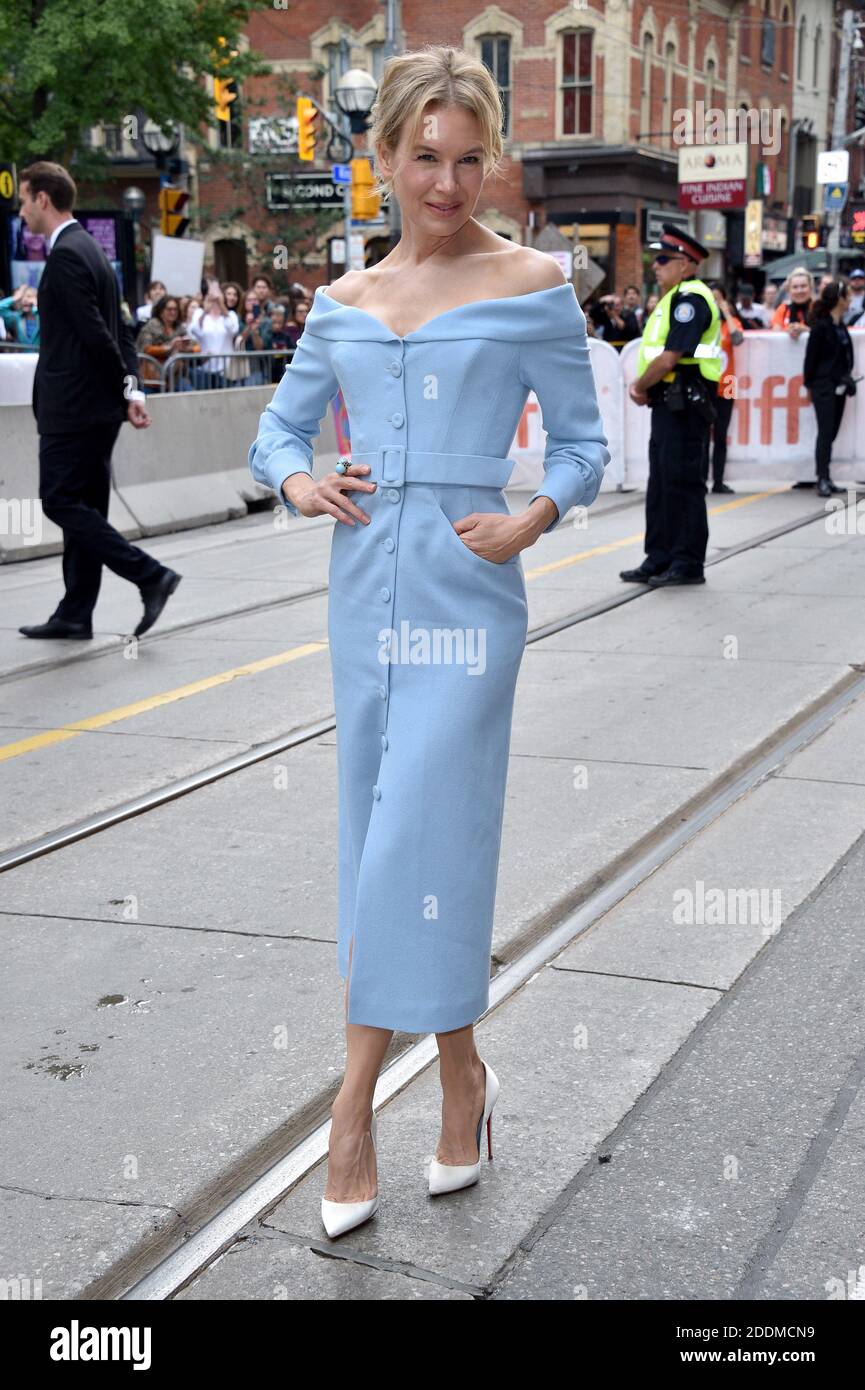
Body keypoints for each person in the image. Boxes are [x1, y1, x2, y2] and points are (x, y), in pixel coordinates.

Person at [248, 43, 609, 1239]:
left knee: (415, 828)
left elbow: (579, 445)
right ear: (385, 157)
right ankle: (459, 1073)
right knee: (387, 838)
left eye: (467, 160)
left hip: (468, 585)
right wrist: (301, 482)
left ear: (487, 158)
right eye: (423, 159)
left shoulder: (535, 281)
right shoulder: (340, 304)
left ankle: (349, 1107)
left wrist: (533, 516)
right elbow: (276, 435)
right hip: (362, 592)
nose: (447, 186)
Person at [16, 162, 180, 641]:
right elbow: (121, 331)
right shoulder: (90, 250)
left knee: (59, 501)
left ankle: (149, 574)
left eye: (25, 199)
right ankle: (75, 612)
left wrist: (121, 384)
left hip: (74, 408)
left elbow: (96, 336)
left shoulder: (67, 255)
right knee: (86, 507)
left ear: (43, 199)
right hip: (98, 409)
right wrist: (130, 388)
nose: (22, 211)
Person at [621, 222, 721, 587]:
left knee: (683, 482)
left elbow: (668, 358)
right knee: (662, 482)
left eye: (663, 259)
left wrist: (639, 385)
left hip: (685, 401)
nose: (655, 265)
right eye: (655, 258)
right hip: (668, 402)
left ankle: (688, 562)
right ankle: (659, 557)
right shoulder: (672, 299)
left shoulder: (691, 300)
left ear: (686, 263)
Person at [803, 280, 855, 498]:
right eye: (848, 296)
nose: (851, 299)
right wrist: (809, 385)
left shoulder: (840, 325)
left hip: (839, 386)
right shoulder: (822, 327)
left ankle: (826, 475)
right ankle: (822, 476)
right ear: (839, 299)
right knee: (825, 432)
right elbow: (810, 359)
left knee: (831, 432)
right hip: (823, 386)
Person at [702, 283, 743, 494]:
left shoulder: (731, 323)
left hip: (727, 386)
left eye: (718, 298)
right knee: (702, 436)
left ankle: (718, 481)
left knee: (720, 435)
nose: (715, 303)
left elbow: (738, 339)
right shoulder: (703, 323)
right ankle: (701, 480)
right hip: (706, 385)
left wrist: (726, 313)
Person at [136, 294, 198, 392]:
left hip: (176, 377)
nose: (173, 312)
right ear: (161, 311)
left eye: (175, 309)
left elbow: (196, 347)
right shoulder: (150, 327)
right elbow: (145, 348)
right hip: (152, 379)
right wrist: (169, 347)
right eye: (169, 309)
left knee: (191, 396)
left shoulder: (179, 328)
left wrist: (185, 348)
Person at [188, 283, 238, 388]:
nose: (214, 296)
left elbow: (233, 330)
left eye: (217, 292)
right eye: (211, 292)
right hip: (205, 368)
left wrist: (222, 307)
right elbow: (195, 331)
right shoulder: (199, 313)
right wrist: (205, 310)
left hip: (226, 369)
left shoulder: (231, 315)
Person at [772, 268, 813, 339]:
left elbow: (827, 335)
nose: (799, 291)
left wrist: (806, 330)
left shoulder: (820, 309)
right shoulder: (783, 309)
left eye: (803, 286)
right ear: (789, 290)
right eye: (795, 287)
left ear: (810, 287)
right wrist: (787, 331)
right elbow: (775, 334)